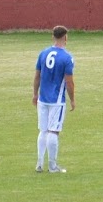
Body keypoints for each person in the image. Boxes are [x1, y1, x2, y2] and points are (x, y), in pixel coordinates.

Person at [32, 25, 75, 174]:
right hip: (56, 100)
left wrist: (35, 94)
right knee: (53, 131)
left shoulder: (43, 53)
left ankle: (39, 164)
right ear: (65, 38)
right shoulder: (67, 58)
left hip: (42, 98)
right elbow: (69, 82)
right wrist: (72, 99)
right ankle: (52, 166)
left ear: (53, 37)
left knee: (43, 130)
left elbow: (37, 76)